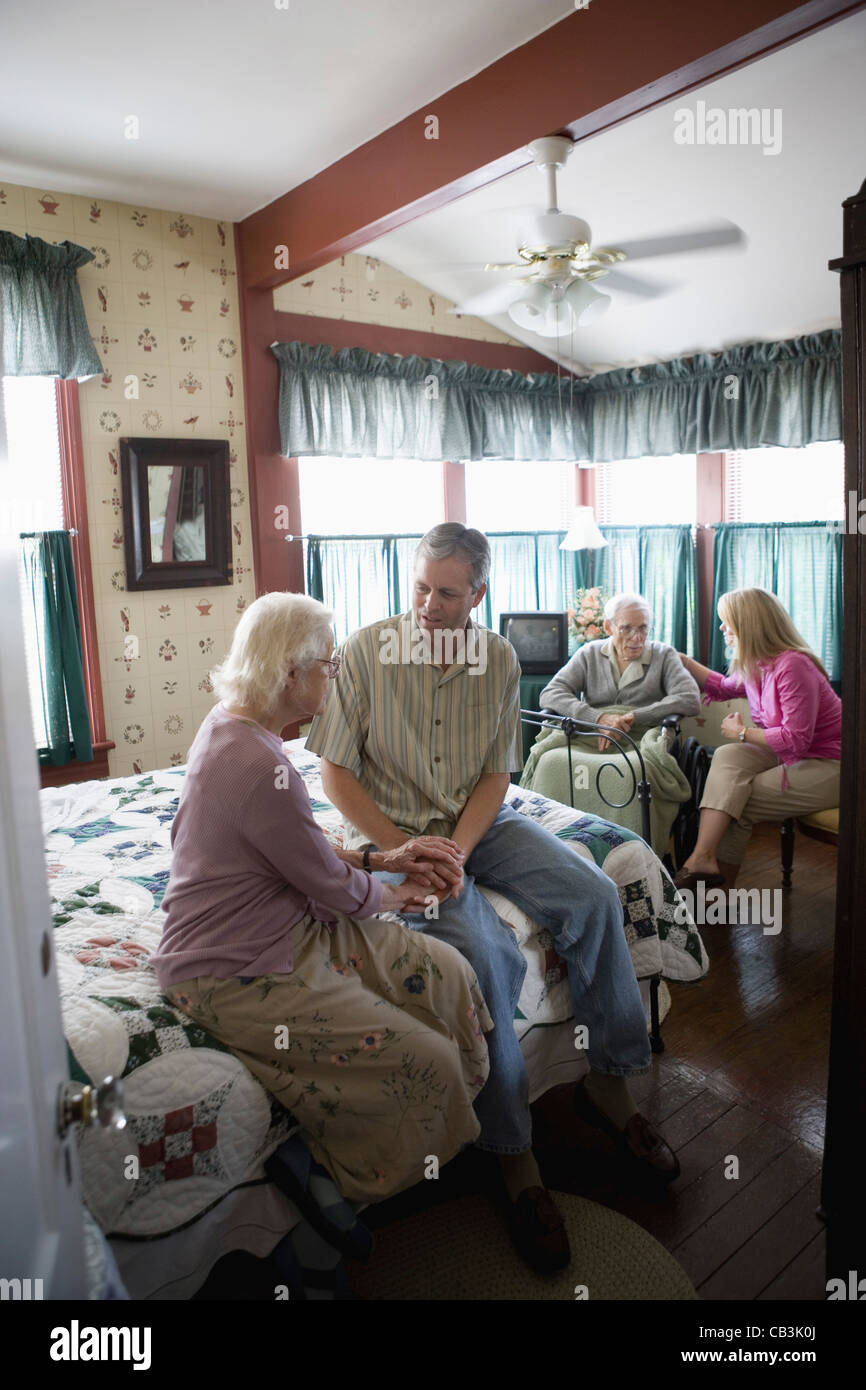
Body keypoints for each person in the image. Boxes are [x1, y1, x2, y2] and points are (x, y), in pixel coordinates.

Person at [306, 523, 681, 1274]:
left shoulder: (500, 660)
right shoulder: (365, 653)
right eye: (420, 587)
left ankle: (608, 1086)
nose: (429, 605)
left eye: (448, 593)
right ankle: (514, 1156)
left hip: (480, 824)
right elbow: (335, 776)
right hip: (393, 830)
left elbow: (493, 777)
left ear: (478, 594)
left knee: (596, 893)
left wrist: (460, 853)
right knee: (484, 952)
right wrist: (406, 851)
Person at [150, 592, 492, 1205]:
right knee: (429, 1059)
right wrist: (398, 892)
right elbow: (332, 887)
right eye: (328, 665)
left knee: (449, 972)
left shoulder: (233, 725)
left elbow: (296, 853)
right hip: (231, 967)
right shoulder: (258, 764)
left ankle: (453, 1131)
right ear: (289, 673)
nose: (334, 675)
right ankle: (350, 1177)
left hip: (287, 925)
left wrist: (380, 858)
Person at [675, 587, 841, 889]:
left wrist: (742, 733)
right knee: (727, 756)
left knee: (740, 800)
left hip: (831, 764)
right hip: (793, 753)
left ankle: (715, 891)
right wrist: (682, 660)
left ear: (749, 625)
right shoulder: (757, 663)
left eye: (728, 622)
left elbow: (796, 739)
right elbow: (724, 686)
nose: (723, 628)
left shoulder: (793, 666)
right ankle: (703, 858)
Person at [540, 592, 701, 751]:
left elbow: (689, 698)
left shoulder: (664, 655)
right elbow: (551, 693)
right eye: (627, 628)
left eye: (643, 628)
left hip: (642, 739)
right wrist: (598, 718)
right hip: (591, 735)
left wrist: (635, 716)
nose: (637, 637)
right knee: (554, 761)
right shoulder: (589, 653)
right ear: (608, 627)